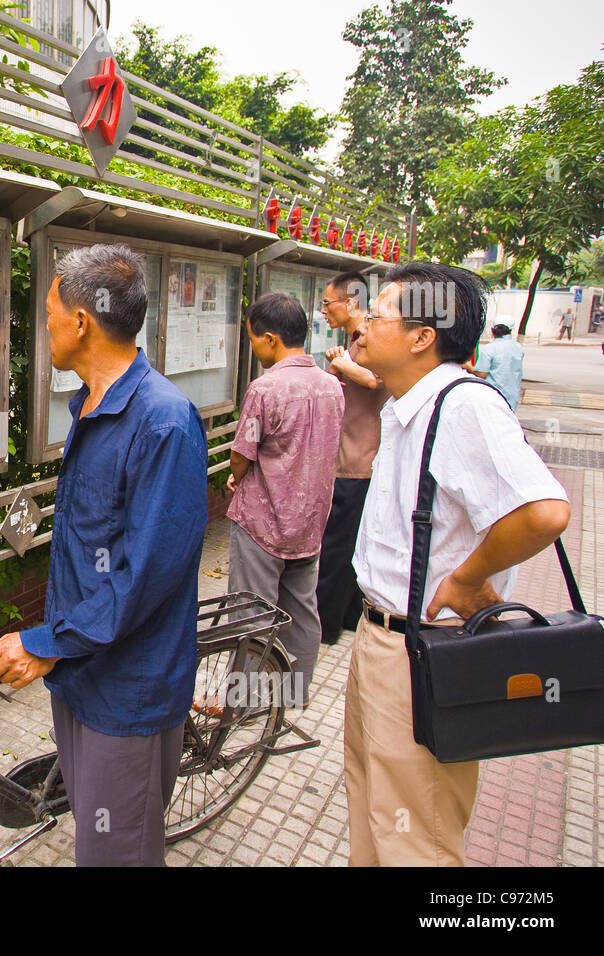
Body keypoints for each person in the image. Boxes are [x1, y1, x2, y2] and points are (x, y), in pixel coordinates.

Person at [0, 243, 207, 866]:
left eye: (50, 313)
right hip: (82, 675)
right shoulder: (92, 404)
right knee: (94, 836)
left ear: (82, 321)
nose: (44, 326)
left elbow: (146, 577)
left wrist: (46, 642)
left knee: (115, 855)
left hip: (127, 693)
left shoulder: (163, 420)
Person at [346, 261, 569, 866]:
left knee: (419, 842)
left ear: (423, 336)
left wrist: (467, 579)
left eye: (377, 311)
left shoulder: (463, 407)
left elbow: (544, 511)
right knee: (375, 817)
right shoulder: (405, 407)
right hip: (382, 642)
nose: (361, 324)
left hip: (426, 653)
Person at [227, 292, 344, 703]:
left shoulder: (266, 388)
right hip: (310, 523)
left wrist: (235, 477)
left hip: (264, 520)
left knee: (250, 612)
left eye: (255, 339)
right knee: (301, 610)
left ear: (271, 338)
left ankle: (243, 701)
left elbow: (244, 451)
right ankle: (293, 692)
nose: (254, 347)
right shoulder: (332, 386)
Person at [315, 271, 388, 646]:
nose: (323, 310)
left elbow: (378, 378)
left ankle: (325, 626)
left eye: (328, 303)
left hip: (358, 463)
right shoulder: (351, 341)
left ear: (352, 302)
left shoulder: (371, 338)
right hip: (348, 458)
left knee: (337, 546)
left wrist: (344, 366)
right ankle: (344, 617)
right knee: (346, 543)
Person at [471, 323, 525, 411]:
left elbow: (481, 373)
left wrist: (468, 367)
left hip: (493, 394)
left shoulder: (490, 348)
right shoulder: (518, 347)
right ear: (510, 331)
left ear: (492, 331)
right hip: (513, 394)